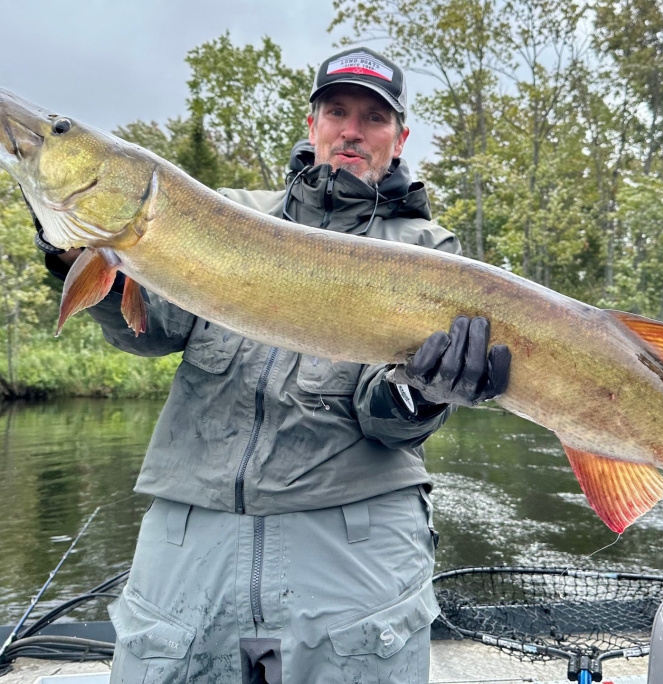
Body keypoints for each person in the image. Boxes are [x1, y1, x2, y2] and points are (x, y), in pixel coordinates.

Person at [32, 46, 510, 683]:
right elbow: (148, 332)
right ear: (311, 125)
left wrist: (421, 393)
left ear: (399, 138)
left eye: (373, 118)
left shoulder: (429, 252)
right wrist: (73, 253)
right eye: (336, 111)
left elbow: (386, 420)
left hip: (349, 548)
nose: (351, 130)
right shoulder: (224, 212)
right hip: (191, 537)